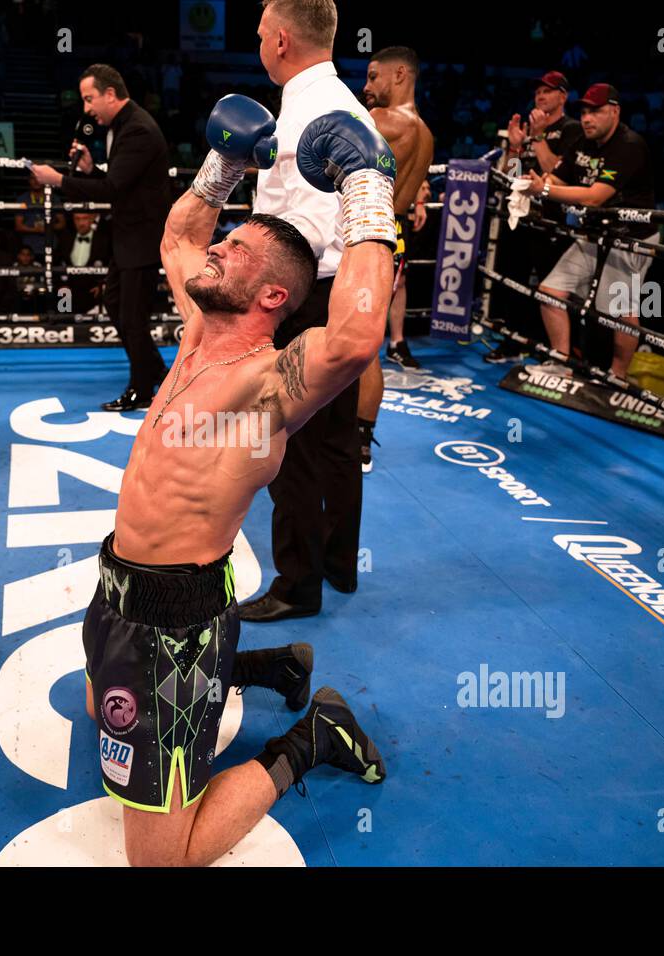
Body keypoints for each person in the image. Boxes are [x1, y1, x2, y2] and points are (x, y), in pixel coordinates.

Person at [82, 94, 393, 866]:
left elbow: (355, 336)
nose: (218, 247)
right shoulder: (199, 324)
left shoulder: (263, 385)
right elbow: (179, 232)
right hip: (117, 583)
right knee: (98, 708)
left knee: (164, 860)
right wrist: (223, 166)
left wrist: (367, 185)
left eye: (240, 250)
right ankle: (267, 667)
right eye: (231, 234)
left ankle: (316, 734)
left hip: (176, 623)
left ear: (274, 298)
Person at [238, 0, 375, 622]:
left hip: (308, 292)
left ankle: (298, 584)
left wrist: (266, 295)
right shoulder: (337, 100)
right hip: (337, 287)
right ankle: (338, 565)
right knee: (337, 438)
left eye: (262, 33)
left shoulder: (310, 110)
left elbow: (311, 230)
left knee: (287, 438)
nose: (259, 43)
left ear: (283, 40)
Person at [30, 64, 171, 411]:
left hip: (143, 237)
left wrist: (58, 181)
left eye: (89, 99)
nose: (86, 109)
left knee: (132, 317)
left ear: (110, 94)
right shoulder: (123, 126)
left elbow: (111, 189)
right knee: (114, 303)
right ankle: (153, 369)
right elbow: (122, 179)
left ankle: (142, 389)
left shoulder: (137, 129)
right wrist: (89, 170)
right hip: (129, 236)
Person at [523, 83, 657, 379]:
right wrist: (534, 183)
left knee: (621, 312)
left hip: (631, 238)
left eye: (595, 111)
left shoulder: (629, 145)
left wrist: (544, 189)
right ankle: (561, 362)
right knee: (550, 292)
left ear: (615, 112)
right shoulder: (583, 143)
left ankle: (618, 377)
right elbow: (557, 177)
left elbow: (596, 196)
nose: (586, 118)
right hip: (594, 233)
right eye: (583, 111)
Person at [353, 45, 435, 474]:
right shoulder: (425, 132)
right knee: (366, 344)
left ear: (400, 74)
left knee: (358, 346)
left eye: (372, 77)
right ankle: (361, 437)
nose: (366, 88)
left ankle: (354, 441)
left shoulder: (382, 121)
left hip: (366, 235)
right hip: (395, 237)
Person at [486, 70, 584, 364]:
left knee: (548, 287)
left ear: (563, 96)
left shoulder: (572, 130)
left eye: (548, 91)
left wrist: (538, 137)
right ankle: (513, 341)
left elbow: (557, 171)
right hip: (520, 219)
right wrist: (516, 146)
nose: (540, 96)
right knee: (512, 282)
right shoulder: (528, 129)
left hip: (551, 222)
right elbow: (512, 176)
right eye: (538, 91)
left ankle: (550, 348)